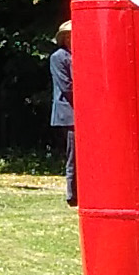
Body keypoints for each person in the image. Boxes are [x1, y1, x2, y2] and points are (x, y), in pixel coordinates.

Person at [49, 20, 76, 205]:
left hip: (80, 113)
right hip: (68, 114)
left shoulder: (79, 55)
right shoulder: (59, 57)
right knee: (73, 155)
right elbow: (67, 86)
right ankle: (72, 195)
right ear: (66, 38)